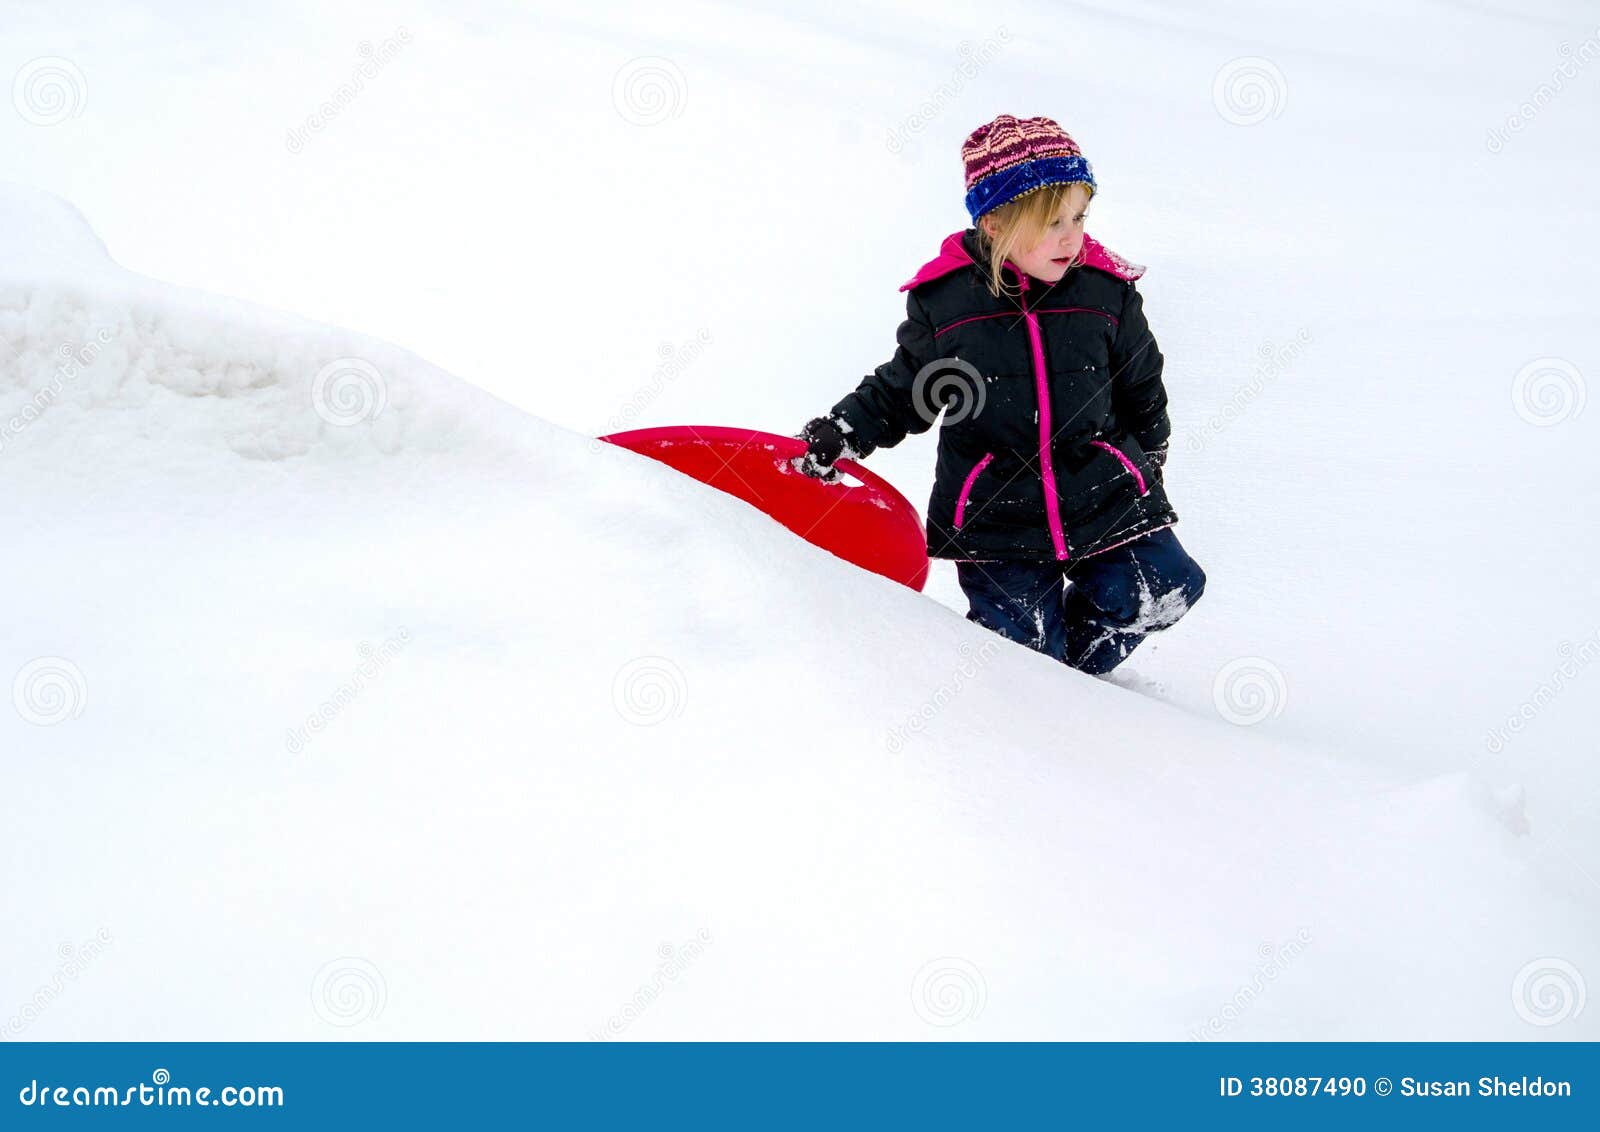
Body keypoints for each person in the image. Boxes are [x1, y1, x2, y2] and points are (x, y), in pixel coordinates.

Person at [795, 114, 1204, 675]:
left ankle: (1080, 681)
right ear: (995, 224)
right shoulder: (949, 304)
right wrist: (844, 432)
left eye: (1080, 217)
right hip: (996, 511)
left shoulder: (1104, 291)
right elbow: (904, 389)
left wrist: (1149, 456)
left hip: (1100, 488)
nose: (1072, 236)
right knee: (1022, 656)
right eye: (1052, 221)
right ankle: (1039, 689)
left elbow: (1142, 385)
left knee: (1164, 586)